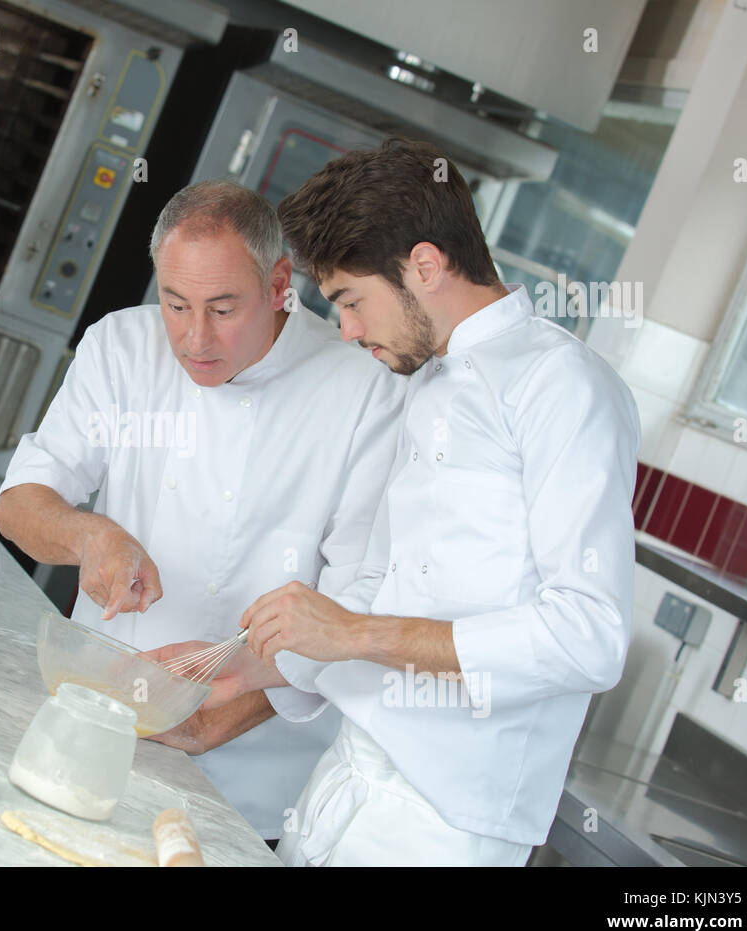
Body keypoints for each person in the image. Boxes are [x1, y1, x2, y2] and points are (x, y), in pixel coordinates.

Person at [156, 138, 641, 865]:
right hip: (351, 774)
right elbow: (380, 590)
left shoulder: (563, 388)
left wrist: (354, 635)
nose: (347, 330)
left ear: (424, 265)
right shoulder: (429, 382)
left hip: (446, 821)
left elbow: (589, 636)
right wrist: (240, 662)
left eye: (352, 300)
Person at [0, 181, 406, 842]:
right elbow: (20, 504)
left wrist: (213, 721)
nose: (194, 338)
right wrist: (89, 534)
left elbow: (359, 606)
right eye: (175, 304)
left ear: (278, 285)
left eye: (223, 308)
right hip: (92, 730)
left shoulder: (366, 391)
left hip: (250, 782)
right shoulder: (121, 348)